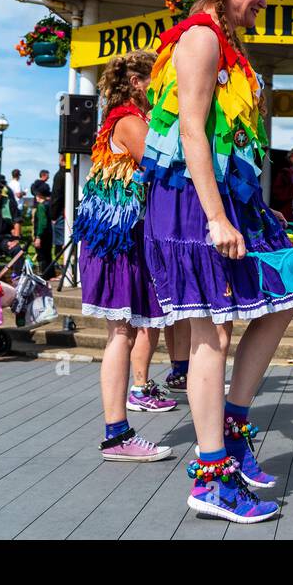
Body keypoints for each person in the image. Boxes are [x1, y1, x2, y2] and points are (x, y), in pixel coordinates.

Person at [141, 0, 293, 524]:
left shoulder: (225, 47)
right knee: (211, 333)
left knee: (287, 293)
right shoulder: (199, 38)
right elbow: (192, 133)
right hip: (194, 206)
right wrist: (216, 217)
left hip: (229, 203)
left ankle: (234, 427)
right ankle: (211, 477)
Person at [71, 50, 176, 465]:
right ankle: (116, 434)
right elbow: (166, 166)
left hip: (122, 240)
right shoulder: (130, 121)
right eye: (159, 78)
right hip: (115, 241)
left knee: (127, 331)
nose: (166, 85)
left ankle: (119, 428)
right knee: (120, 333)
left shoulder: (128, 119)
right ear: (137, 82)